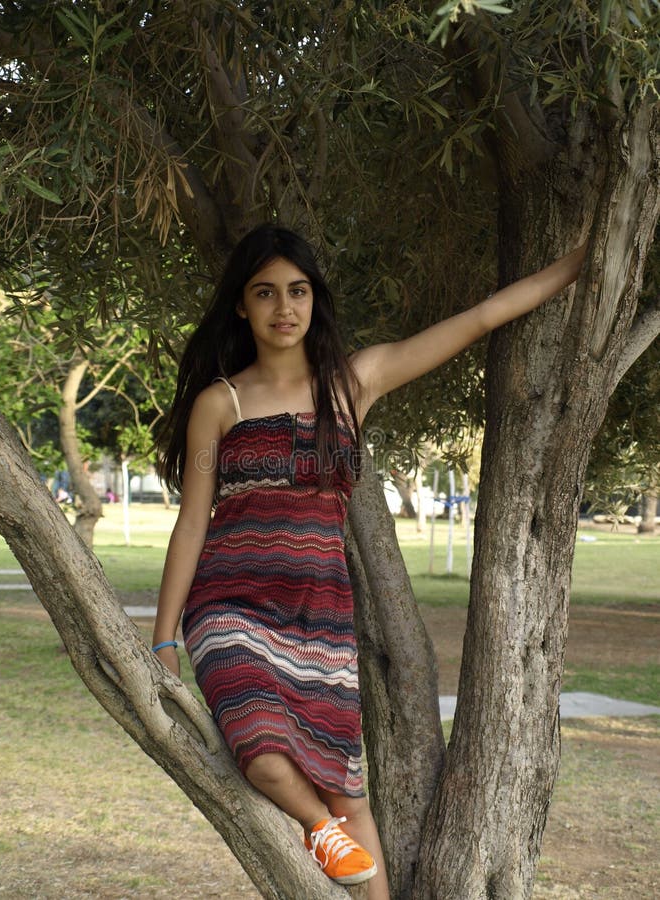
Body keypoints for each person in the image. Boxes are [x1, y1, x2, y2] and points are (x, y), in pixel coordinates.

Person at [152, 225, 585, 896]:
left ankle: (340, 841)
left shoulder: (353, 383)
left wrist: (581, 263)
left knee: (347, 790)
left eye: (296, 291)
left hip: (319, 619)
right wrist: (163, 636)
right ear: (241, 306)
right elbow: (190, 525)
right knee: (263, 756)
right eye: (264, 294)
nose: (282, 308)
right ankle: (315, 828)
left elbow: (479, 318)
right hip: (229, 607)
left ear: (313, 299)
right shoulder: (220, 402)